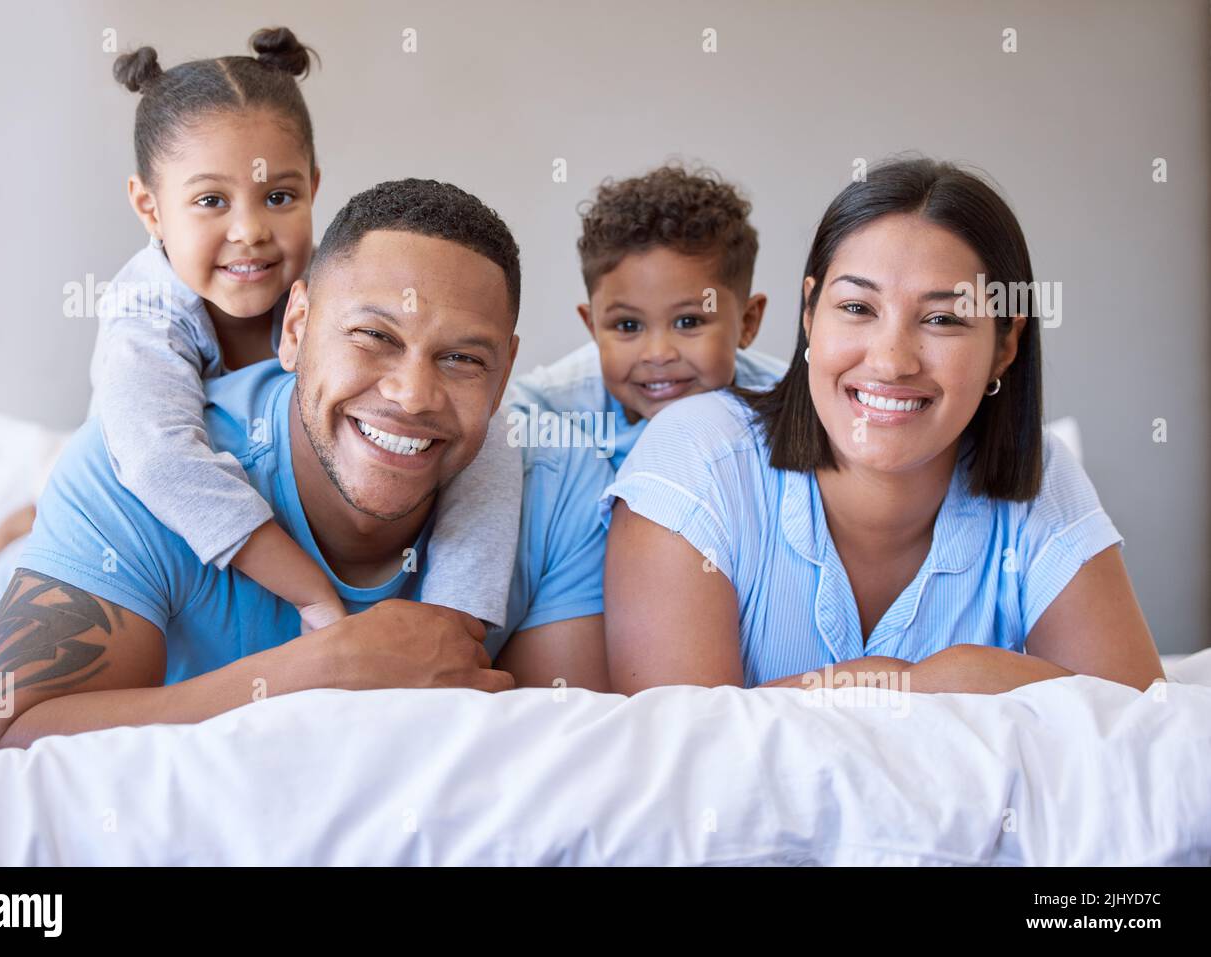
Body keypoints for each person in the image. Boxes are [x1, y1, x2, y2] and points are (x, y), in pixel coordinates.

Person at [0, 179, 610, 752]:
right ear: (297, 327)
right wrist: (323, 671)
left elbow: (560, 765)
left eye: (463, 360)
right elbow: (9, 735)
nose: (413, 395)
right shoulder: (145, 466)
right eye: (374, 337)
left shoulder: (561, 495)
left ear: (503, 378)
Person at [601, 157, 1164, 695]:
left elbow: (1136, 730)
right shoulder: (696, 455)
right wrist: (925, 684)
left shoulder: (1038, 473)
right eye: (857, 308)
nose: (893, 361)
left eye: (943, 319)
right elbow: (680, 747)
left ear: (1005, 346)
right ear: (809, 313)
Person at [91, 27, 520, 632]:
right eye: (212, 201)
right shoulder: (143, 319)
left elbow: (477, 421)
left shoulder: (338, 290)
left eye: (279, 196)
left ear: (314, 187)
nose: (250, 231)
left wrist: (457, 618)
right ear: (150, 209)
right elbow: (159, 461)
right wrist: (316, 598)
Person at [508, 165, 786, 471]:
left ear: (747, 323)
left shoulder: (785, 405)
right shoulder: (555, 404)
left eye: (688, 322)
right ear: (594, 328)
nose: (658, 354)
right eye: (628, 326)